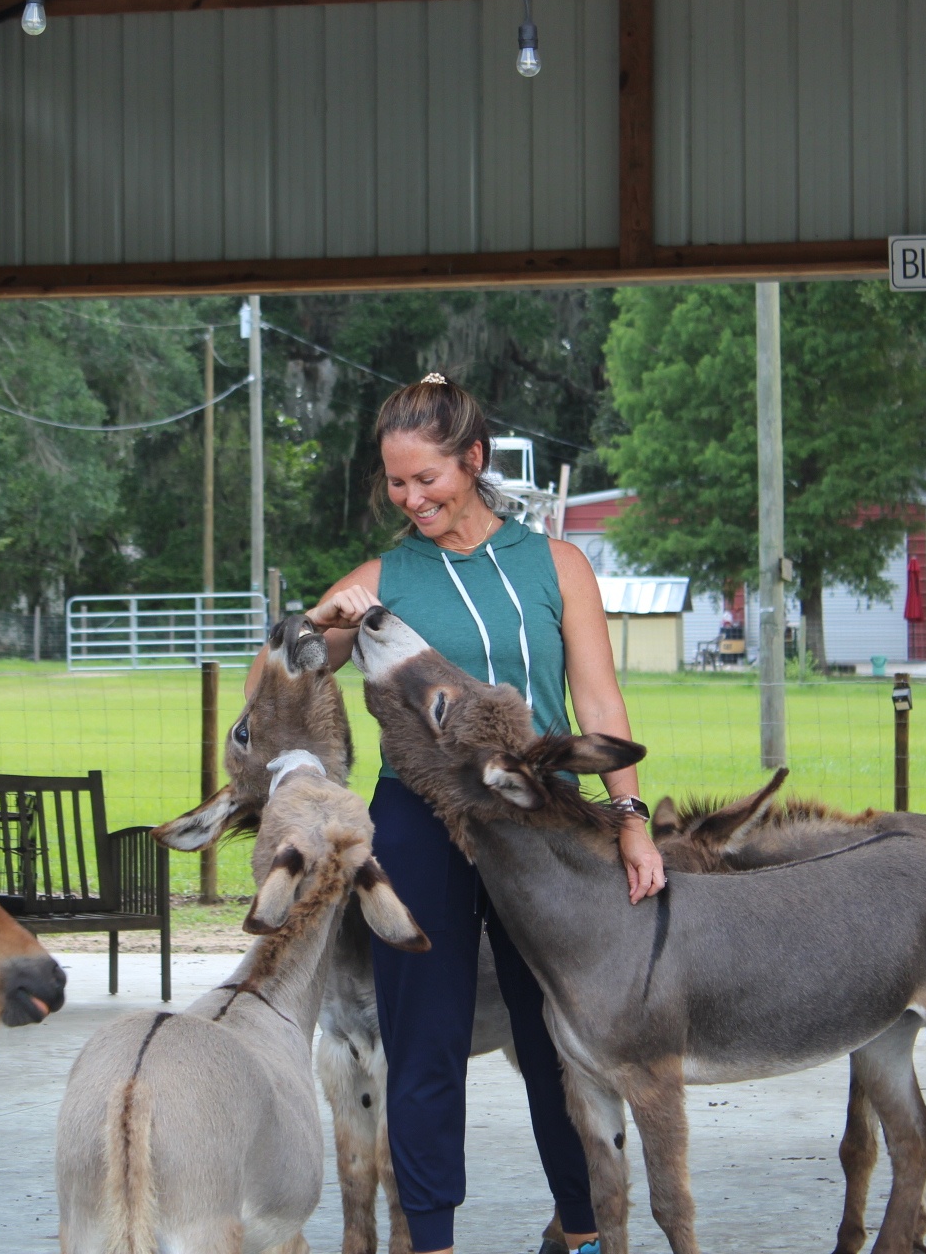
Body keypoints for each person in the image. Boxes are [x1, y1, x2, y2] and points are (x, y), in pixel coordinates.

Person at [263, 373, 665, 1254]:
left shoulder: (556, 564)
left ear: (473, 460)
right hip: (420, 822)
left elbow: (597, 697)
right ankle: (433, 1240)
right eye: (397, 484)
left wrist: (630, 819)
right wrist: (322, 618)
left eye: (428, 481)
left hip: (539, 820)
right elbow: (294, 659)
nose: (412, 500)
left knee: (561, 1035)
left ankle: (586, 1227)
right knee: (427, 1042)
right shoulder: (384, 576)